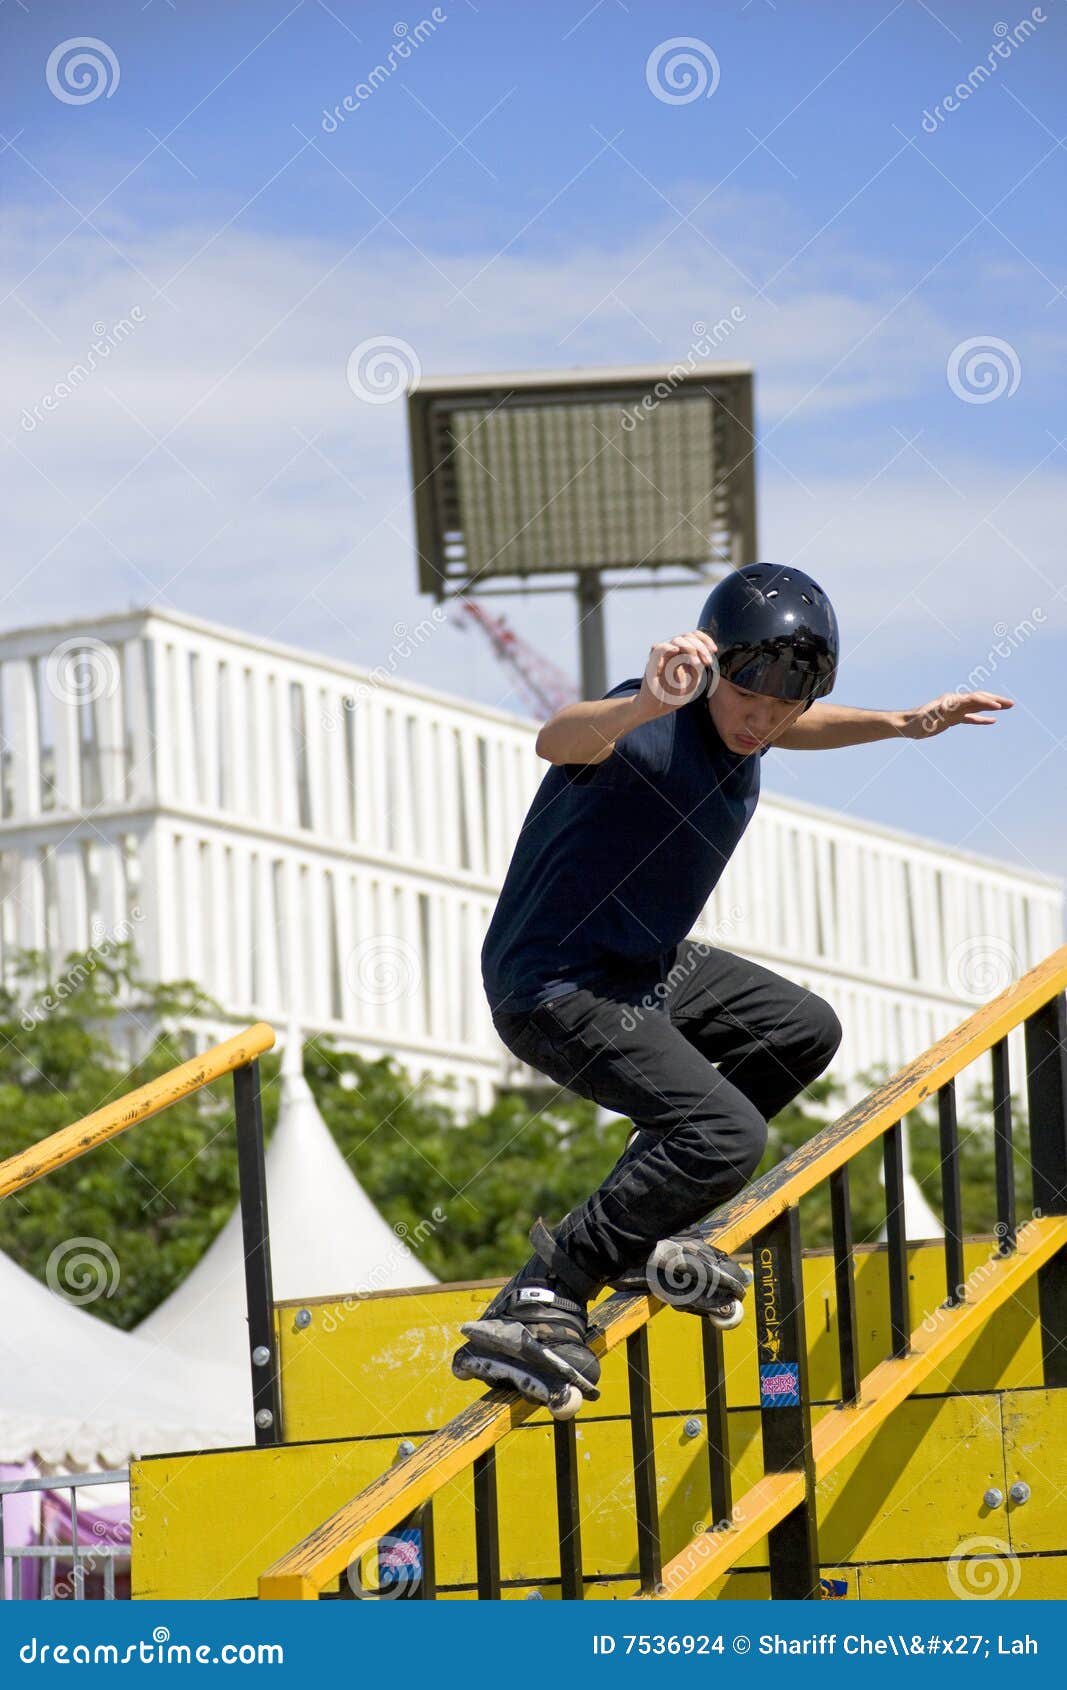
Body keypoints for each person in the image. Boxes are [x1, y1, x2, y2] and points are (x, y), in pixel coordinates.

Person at [453, 563, 1013, 1418]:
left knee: (800, 1028)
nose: (761, 724)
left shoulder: (756, 723)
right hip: (555, 986)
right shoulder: (655, 721)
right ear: (711, 671)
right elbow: (560, 738)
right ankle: (544, 1289)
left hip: (644, 972)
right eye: (747, 701)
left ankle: (644, 1221)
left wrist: (903, 723)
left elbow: (797, 724)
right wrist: (643, 700)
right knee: (725, 1133)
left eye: (779, 708)